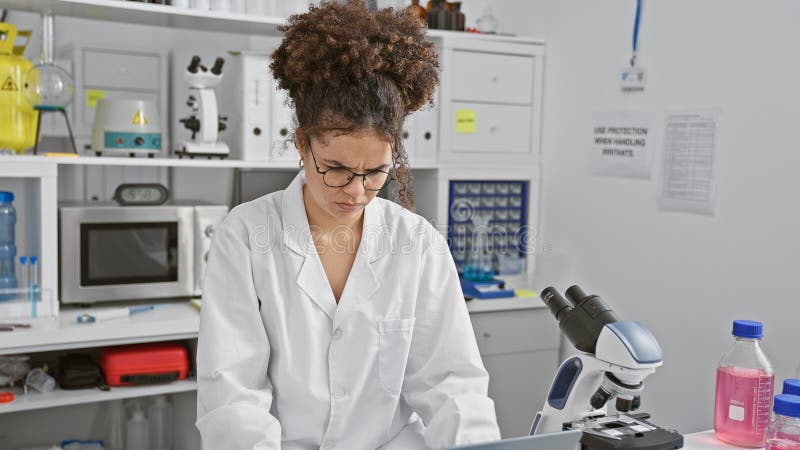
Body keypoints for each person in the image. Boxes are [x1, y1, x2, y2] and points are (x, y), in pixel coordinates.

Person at [195, 1, 501, 448]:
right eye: (336, 168)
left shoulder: (417, 243)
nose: (356, 192)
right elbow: (233, 398)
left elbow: (453, 388)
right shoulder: (244, 236)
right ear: (303, 145)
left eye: (376, 172)